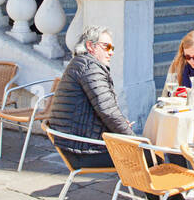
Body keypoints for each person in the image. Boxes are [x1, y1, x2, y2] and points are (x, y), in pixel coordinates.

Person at [50, 25, 135, 169]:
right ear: (90, 46)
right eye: (106, 47)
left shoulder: (82, 64)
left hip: (76, 145)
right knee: (148, 157)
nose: (111, 52)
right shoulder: (90, 68)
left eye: (112, 48)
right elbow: (108, 111)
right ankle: (164, 191)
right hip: (82, 152)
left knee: (146, 154)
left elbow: (104, 110)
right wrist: (135, 140)